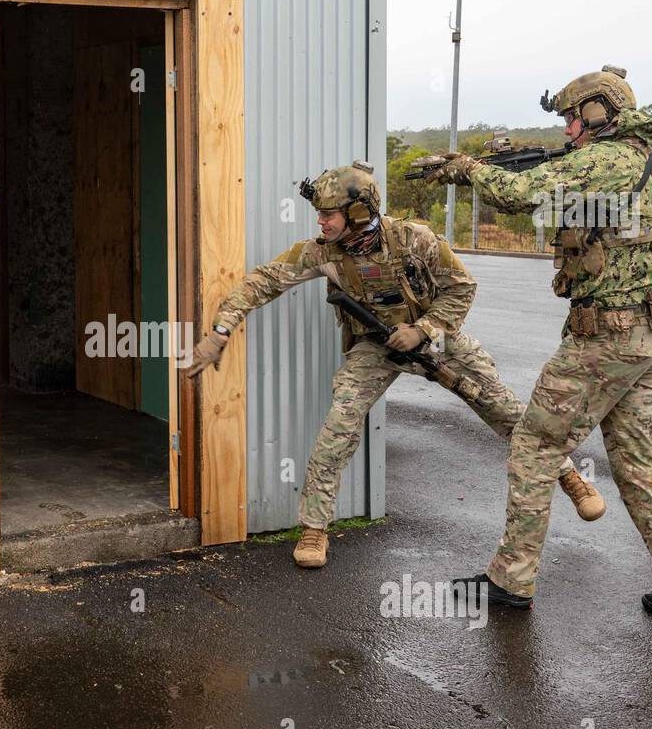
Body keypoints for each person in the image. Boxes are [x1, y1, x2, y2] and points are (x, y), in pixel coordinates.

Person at [186, 161, 604, 570]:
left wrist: (422, 329)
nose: (321, 223)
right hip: (374, 346)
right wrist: (221, 331)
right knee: (339, 427)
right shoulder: (322, 252)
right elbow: (263, 281)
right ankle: (314, 528)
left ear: (358, 212)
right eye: (319, 214)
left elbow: (462, 288)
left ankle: (568, 475)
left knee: (506, 411)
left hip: (437, 340)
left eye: (328, 215)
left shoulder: (414, 239)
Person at [429, 66, 652, 632]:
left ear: (598, 111)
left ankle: (511, 581)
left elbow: (519, 193)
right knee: (638, 467)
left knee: (534, 443)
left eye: (571, 117)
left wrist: (463, 167)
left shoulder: (605, 159)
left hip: (608, 334)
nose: (567, 129)